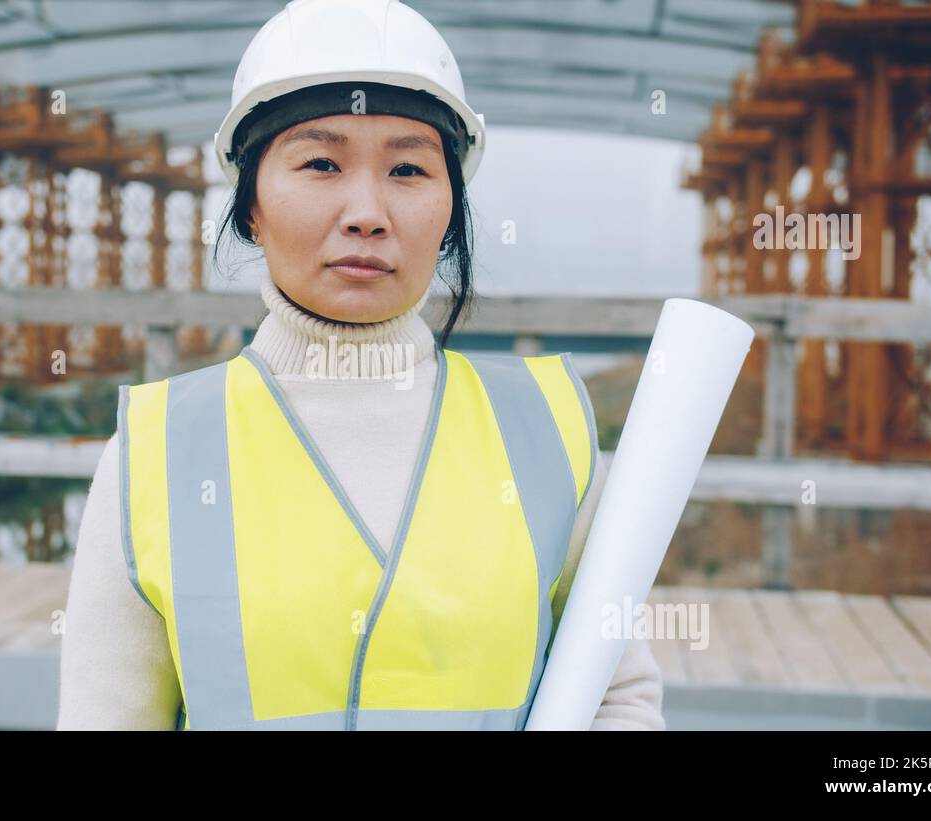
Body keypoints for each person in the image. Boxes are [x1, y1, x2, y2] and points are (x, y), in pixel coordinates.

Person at [57, 0, 665, 731]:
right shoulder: (153, 452)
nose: (367, 211)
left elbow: (618, 697)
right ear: (250, 202)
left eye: (408, 168)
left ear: (449, 210)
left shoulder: (550, 433)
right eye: (320, 163)